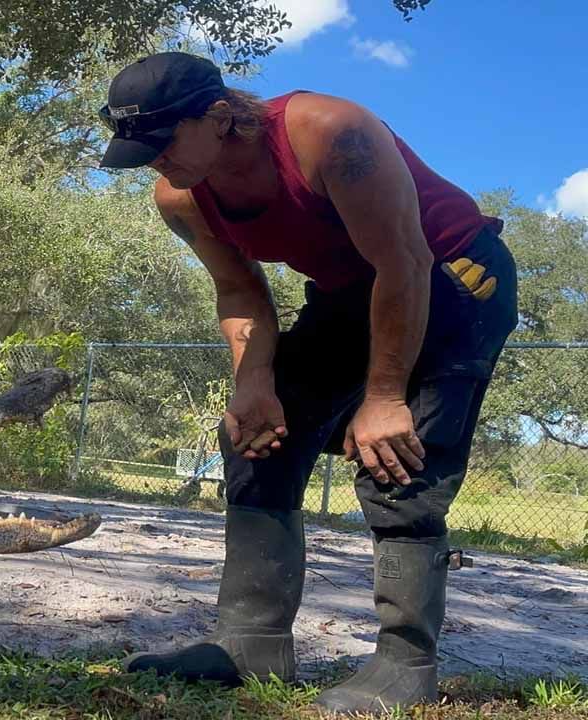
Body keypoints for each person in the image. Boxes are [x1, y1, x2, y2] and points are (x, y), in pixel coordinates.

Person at [97, 52, 518, 715]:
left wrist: (384, 397)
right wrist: (253, 382)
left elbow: (404, 262)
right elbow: (239, 289)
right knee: (253, 437)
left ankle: (406, 664)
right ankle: (250, 642)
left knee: (396, 459)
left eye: (163, 143)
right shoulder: (180, 195)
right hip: (351, 293)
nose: (155, 162)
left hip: (450, 278)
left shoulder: (330, 133)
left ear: (218, 116)